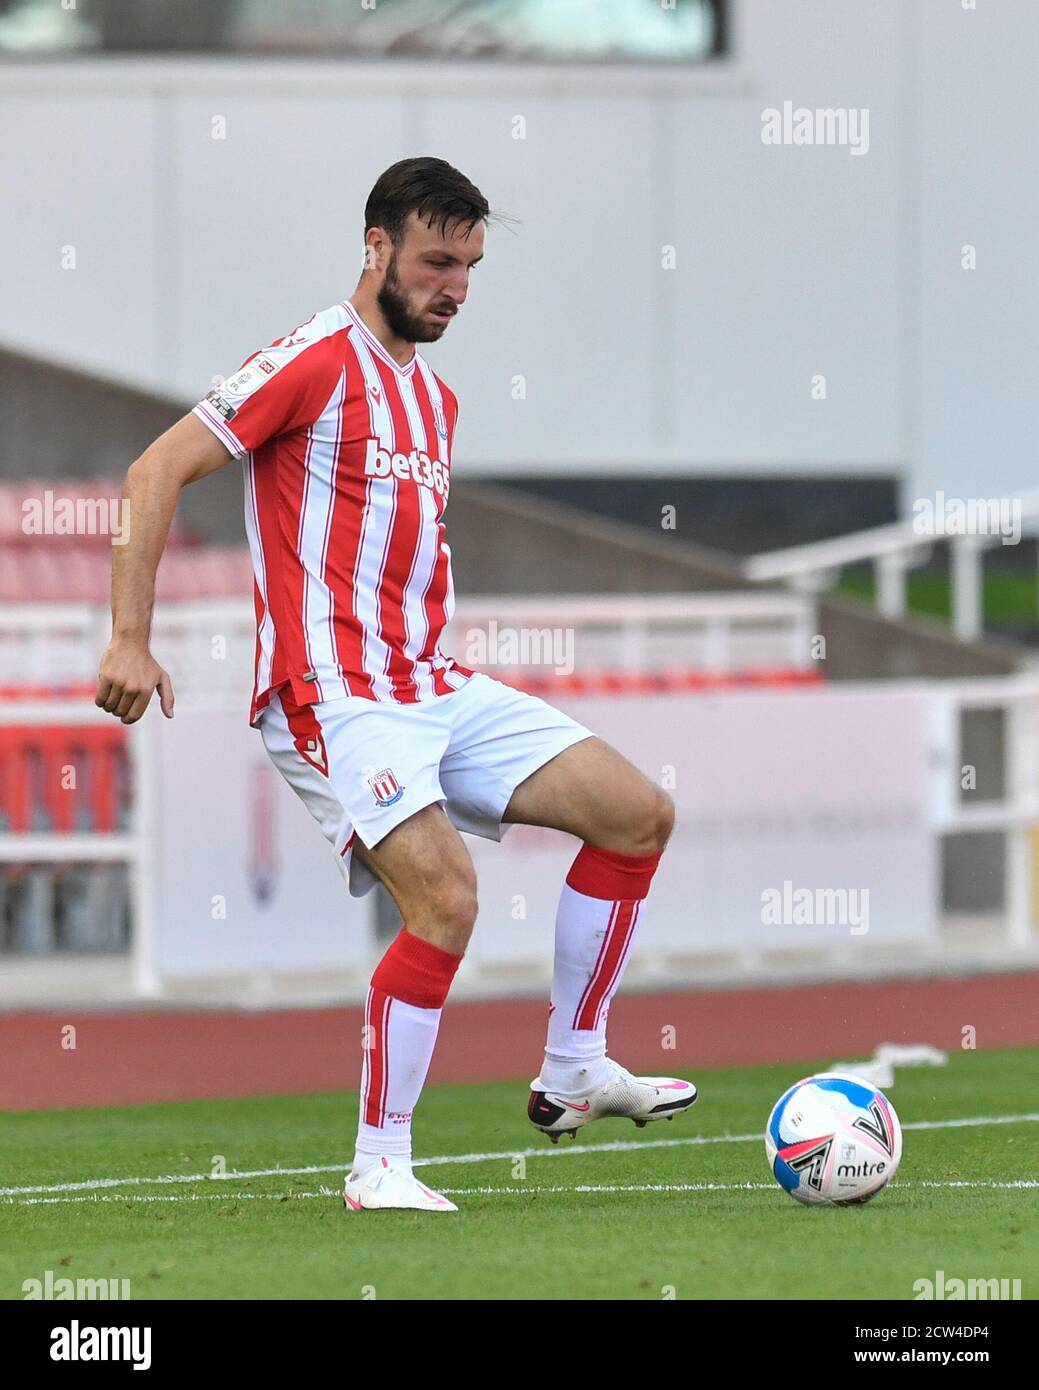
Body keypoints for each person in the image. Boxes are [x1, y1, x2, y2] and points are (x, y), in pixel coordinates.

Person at [95, 156, 696, 1212]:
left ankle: (572, 1067)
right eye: (434, 260)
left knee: (636, 814)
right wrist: (130, 639)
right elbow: (154, 471)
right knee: (447, 898)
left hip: (432, 682)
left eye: (467, 265)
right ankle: (379, 1165)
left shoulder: (436, 397)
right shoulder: (313, 359)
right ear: (374, 247)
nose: (453, 285)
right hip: (334, 691)